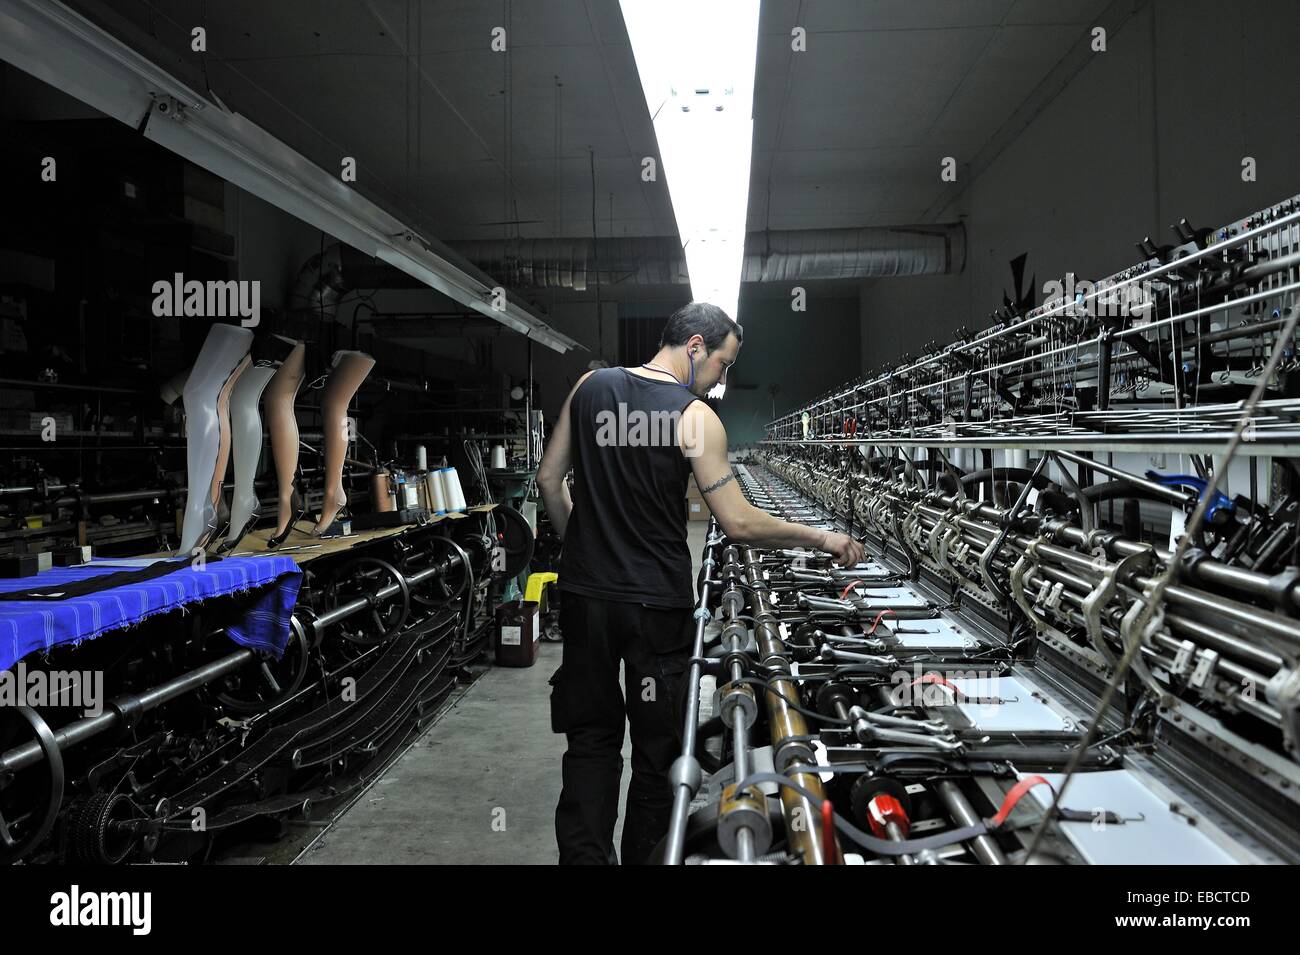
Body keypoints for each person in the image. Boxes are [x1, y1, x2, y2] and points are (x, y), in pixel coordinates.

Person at [536, 301, 864, 864]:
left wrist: (583, 551)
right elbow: (737, 522)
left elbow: (548, 479)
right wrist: (821, 537)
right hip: (654, 607)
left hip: (587, 601)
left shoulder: (590, 387)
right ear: (694, 347)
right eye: (722, 363)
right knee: (658, 753)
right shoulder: (694, 416)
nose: (721, 378)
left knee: (589, 742)